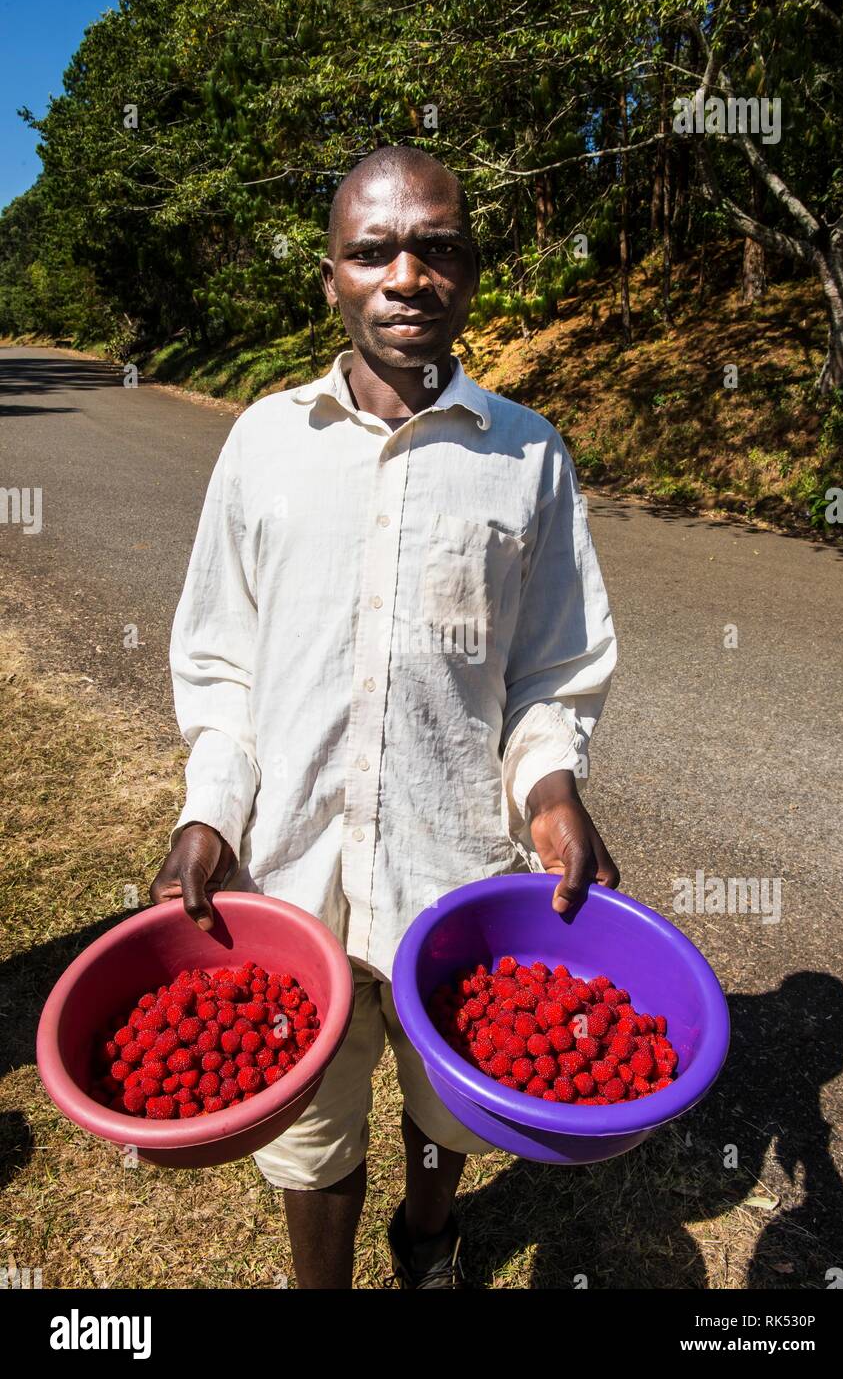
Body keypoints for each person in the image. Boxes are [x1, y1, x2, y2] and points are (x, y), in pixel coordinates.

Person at [150, 144, 619, 1289]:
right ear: (332, 278)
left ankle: (427, 1234)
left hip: (450, 871)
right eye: (373, 252)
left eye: (436, 248)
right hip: (290, 874)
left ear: (468, 270)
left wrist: (549, 790)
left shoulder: (525, 454)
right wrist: (209, 811)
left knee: (445, 1103)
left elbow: (552, 669)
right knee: (310, 1126)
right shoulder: (264, 443)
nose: (405, 275)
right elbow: (221, 662)